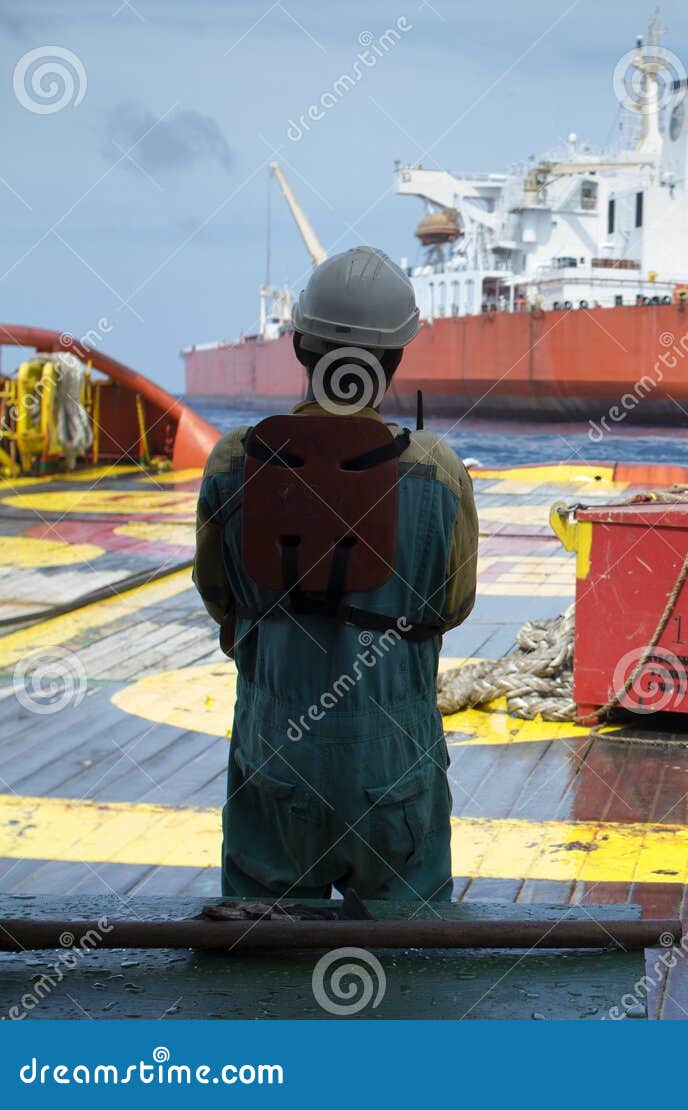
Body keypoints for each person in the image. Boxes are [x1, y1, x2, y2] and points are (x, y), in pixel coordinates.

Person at [194, 246, 477, 902]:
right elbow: (452, 604)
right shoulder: (438, 468)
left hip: (278, 753)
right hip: (395, 761)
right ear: (397, 358)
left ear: (299, 348)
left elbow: (219, 596)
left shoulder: (233, 462)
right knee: (406, 965)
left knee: (264, 956)